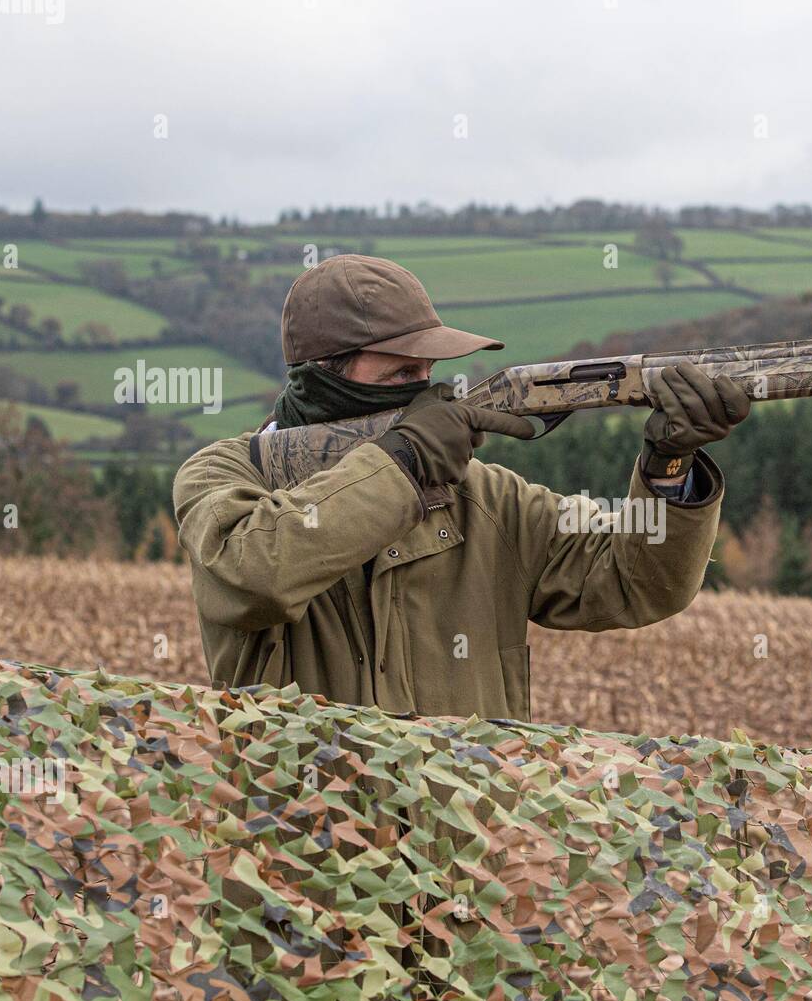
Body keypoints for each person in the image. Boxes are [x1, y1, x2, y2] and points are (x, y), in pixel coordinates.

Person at [173, 254, 748, 719]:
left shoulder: (491, 499)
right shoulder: (226, 475)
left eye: (429, 374)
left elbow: (636, 583)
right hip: (301, 848)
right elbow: (256, 575)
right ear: (322, 377)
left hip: (465, 853)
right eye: (401, 374)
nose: (426, 396)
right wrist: (401, 463)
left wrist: (669, 465)